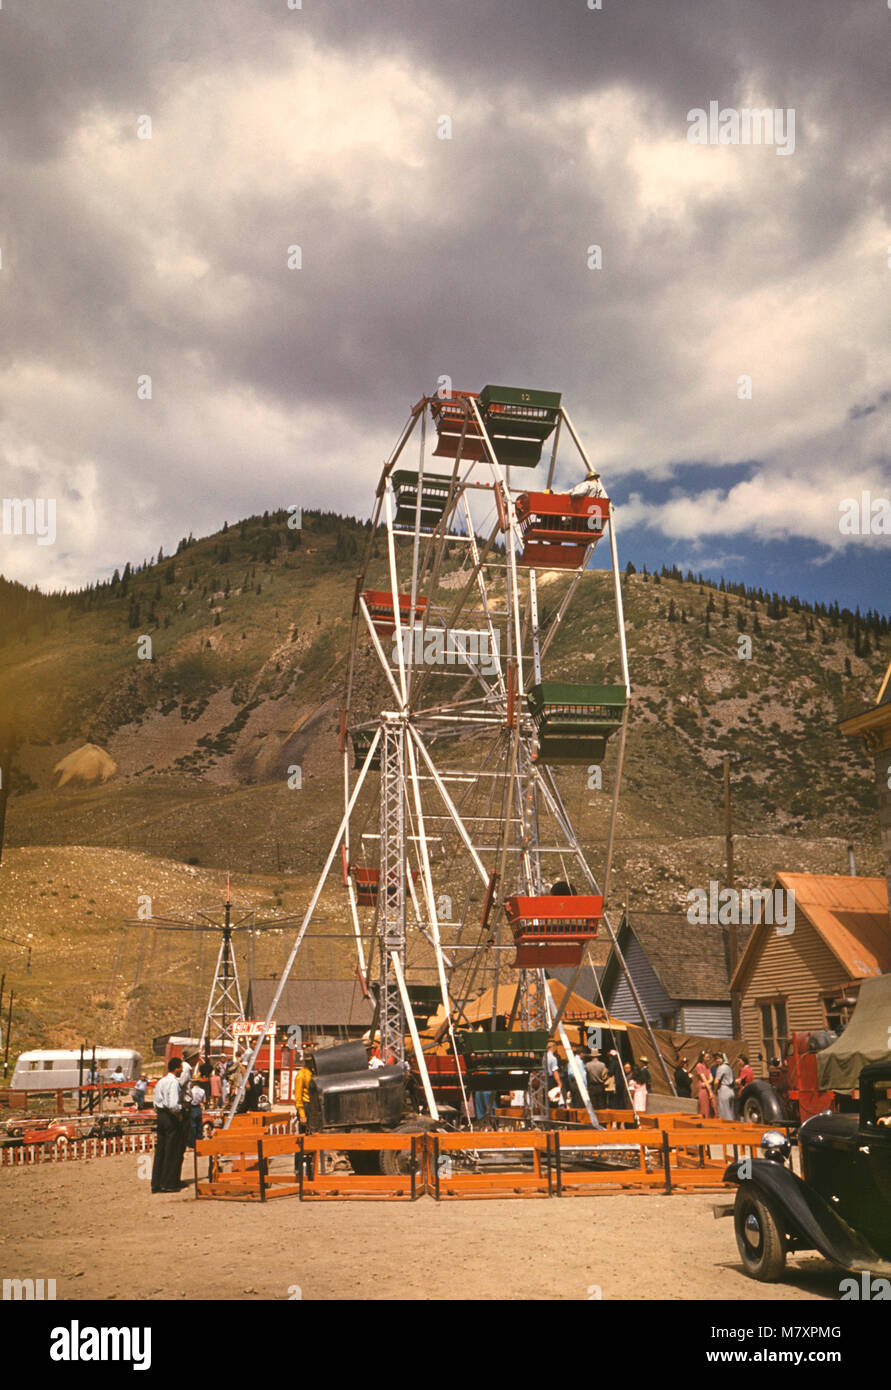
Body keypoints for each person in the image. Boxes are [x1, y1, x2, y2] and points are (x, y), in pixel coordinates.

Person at [151, 1058, 187, 1193]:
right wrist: (179, 1115)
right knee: (171, 1150)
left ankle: (156, 1182)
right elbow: (173, 1105)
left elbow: (156, 1102)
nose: (182, 1070)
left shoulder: (161, 1082)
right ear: (177, 1068)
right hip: (170, 1117)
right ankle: (168, 1183)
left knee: (160, 1150)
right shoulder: (173, 1083)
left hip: (161, 1116)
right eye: (181, 1068)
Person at [715, 1052, 735, 1121]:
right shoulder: (729, 1068)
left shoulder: (721, 1068)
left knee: (724, 1112)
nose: (717, 1060)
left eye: (719, 1058)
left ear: (723, 1059)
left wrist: (715, 1090)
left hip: (724, 1090)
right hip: (731, 1090)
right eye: (716, 1059)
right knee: (730, 1112)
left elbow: (716, 1082)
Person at [694, 1051, 715, 1119]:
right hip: (703, 1090)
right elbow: (703, 1079)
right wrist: (710, 1092)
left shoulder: (707, 1066)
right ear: (702, 1057)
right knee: (704, 1108)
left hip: (707, 1087)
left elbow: (711, 1079)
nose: (708, 1059)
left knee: (711, 1109)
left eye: (709, 1057)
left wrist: (707, 1083)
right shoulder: (699, 1066)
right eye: (706, 1057)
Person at [187, 1080, 205, 1149]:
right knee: (199, 1125)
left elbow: (189, 1099)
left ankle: (192, 1143)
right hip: (198, 1108)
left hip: (192, 1108)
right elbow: (204, 1100)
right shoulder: (202, 1091)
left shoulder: (191, 1091)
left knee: (192, 1126)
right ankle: (199, 1141)